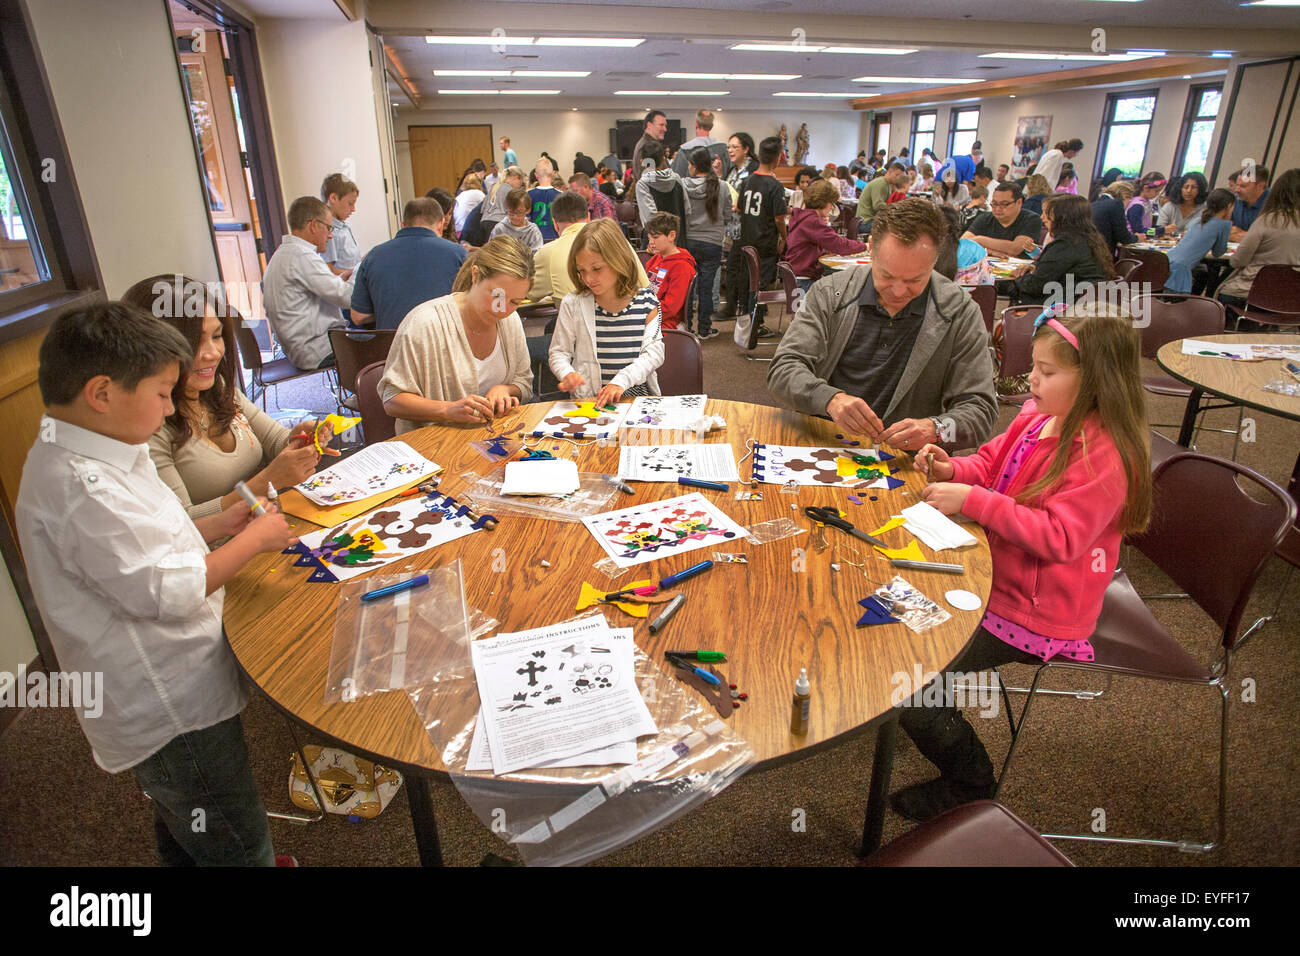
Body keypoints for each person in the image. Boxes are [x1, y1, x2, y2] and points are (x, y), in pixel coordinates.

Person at [17, 301, 297, 865]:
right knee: (228, 829)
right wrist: (254, 540)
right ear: (101, 393)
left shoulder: (102, 437)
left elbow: (161, 529)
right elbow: (167, 590)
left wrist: (223, 524)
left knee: (187, 821)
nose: (172, 405)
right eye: (162, 393)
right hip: (169, 703)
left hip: (176, 678)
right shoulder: (81, 486)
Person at [891, 301, 1152, 821]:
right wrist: (956, 468)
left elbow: (1059, 538)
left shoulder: (1104, 454)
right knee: (892, 609)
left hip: (1033, 611)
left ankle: (971, 783)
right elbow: (992, 462)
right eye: (1033, 366)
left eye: (1046, 372)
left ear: (1095, 380)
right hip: (990, 572)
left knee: (908, 679)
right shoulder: (1039, 417)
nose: (1029, 380)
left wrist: (974, 502)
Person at [768, 198, 997, 453]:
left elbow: (981, 413)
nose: (898, 292)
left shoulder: (960, 313)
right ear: (870, 251)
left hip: (905, 463)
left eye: (915, 280)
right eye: (886, 275)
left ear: (934, 262)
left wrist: (937, 429)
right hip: (825, 447)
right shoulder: (829, 293)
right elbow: (783, 370)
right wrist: (829, 399)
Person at [120, 275, 330, 517]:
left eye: (217, 336)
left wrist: (300, 439)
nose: (212, 353)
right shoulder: (147, 428)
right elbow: (182, 523)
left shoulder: (216, 388)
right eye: (194, 343)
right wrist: (266, 481)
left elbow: (275, 440)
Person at [379, 236, 534, 434]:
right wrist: (447, 410)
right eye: (497, 296)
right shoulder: (424, 323)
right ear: (475, 275)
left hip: (490, 441)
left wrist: (506, 390)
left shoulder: (510, 322)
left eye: (515, 302)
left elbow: (524, 383)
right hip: (433, 446)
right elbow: (392, 400)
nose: (502, 310)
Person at [549, 217, 664, 403]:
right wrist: (566, 373)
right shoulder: (573, 303)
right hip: (590, 400)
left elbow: (654, 353)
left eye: (596, 269)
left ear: (618, 260)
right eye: (582, 271)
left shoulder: (647, 302)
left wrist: (620, 382)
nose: (588, 278)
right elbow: (559, 353)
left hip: (635, 400)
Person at [263, 196, 359, 369]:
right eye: (329, 228)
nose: (330, 235)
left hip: (298, 348)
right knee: (384, 344)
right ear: (313, 225)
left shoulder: (283, 254)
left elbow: (307, 294)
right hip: (316, 350)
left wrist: (339, 279)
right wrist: (361, 268)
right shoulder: (303, 256)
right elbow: (347, 299)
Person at [348, 197, 468, 331]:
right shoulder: (458, 254)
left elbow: (359, 316)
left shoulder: (373, 256)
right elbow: (471, 306)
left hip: (392, 347)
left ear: (403, 225)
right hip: (442, 344)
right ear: (441, 225)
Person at [1216, 167, 1300, 312]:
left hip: (1251, 291)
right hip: (1291, 296)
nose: (1237, 190)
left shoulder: (1268, 220)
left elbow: (1237, 261)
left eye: (1243, 186)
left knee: (1218, 287)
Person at [1008, 194, 1116, 306]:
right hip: (1085, 304)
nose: (1042, 217)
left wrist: (1019, 278)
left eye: (1046, 212)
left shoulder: (1065, 244)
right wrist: (1037, 266)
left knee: (1015, 287)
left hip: (1063, 307)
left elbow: (1036, 285)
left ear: (1061, 216)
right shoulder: (1091, 239)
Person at [731, 135, 788, 334]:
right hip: (765, 241)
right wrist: (784, 237)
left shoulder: (747, 180)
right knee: (761, 285)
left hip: (746, 240)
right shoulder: (774, 186)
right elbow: (779, 218)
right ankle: (756, 324)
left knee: (748, 281)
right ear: (778, 158)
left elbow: (738, 208)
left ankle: (748, 320)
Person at [682, 146, 731, 338]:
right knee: (707, 287)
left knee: (687, 287)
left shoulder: (683, 185)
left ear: (693, 166)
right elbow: (727, 215)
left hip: (689, 241)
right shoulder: (722, 186)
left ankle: (686, 328)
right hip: (712, 243)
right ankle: (704, 329)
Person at [784, 178, 867, 288]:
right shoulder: (813, 222)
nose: (832, 207)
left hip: (795, 276)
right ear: (822, 201)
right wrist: (865, 246)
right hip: (804, 280)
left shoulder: (803, 216)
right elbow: (839, 245)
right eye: (831, 203)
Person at [1166, 188, 1235, 295]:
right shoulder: (1224, 225)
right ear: (1229, 206)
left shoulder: (1198, 220)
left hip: (1167, 261)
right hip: (1181, 270)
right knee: (1174, 304)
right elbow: (1218, 253)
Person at [722, 132, 758, 316]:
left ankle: (739, 307)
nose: (730, 150)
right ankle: (733, 305)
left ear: (746, 149)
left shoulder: (753, 170)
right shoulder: (732, 170)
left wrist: (740, 206)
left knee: (740, 268)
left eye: (734, 147)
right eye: (729, 147)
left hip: (747, 228)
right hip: (733, 227)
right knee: (733, 267)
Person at [643, 212, 697, 331]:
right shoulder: (656, 259)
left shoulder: (681, 267)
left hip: (664, 325)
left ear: (672, 236)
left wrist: (641, 313)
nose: (651, 242)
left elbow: (671, 308)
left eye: (655, 237)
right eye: (649, 237)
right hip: (650, 315)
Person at [963, 182, 1043, 258]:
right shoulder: (985, 218)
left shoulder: (1031, 219)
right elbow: (963, 244)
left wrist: (979, 239)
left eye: (1004, 204)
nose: (998, 209)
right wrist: (990, 251)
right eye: (994, 204)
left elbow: (1015, 249)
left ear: (1019, 202)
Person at [635, 140, 691, 243]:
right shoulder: (677, 178)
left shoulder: (643, 184)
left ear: (642, 161)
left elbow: (649, 218)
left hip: (655, 246)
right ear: (663, 159)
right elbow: (687, 210)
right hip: (678, 241)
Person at [320, 173, 362, 275]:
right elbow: (329, 270)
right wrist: (358, 275)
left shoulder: (345, 227)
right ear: (333, 198)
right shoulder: (330, 233)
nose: (353, 209)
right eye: (350, 204)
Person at [672, 108, 730, 180]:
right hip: (717, 190)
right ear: (712, 126)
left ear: (696, 124)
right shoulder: (723, 150)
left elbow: (676, 179)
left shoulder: (684, 150)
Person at [1091, 180, 1138, 256]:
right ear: (1125, 195)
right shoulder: (1116, 204)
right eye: (1129, 199)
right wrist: (1137, 238)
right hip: (1104, 254)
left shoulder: (1093, 204)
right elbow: (1124, 237)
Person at [480, 165, 527, 241]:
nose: (519, 186)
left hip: (484, 222)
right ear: (515, 177)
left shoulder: (494, 187)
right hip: (498, 223)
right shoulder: (509, 190)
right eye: (520, 182)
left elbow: (482, 209)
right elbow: (515, 210)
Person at [857, 162, 908, 230]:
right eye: (897, 175)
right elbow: (878, 206)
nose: (898, 179)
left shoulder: (887, 184)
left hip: (870, 220)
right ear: (890, 172)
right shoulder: (881, 183)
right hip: (866, 222)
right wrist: (895, 208)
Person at [490, 188, 544, 252]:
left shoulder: (533, 231)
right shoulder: (499, 229)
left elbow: (537, 254)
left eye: (519, 213)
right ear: (506, 209)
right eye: (511, 212)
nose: (515, 217)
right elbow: (491, 251)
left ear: (528, 210)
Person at [1229, 164, 1271, 241]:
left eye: (1243, 186)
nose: (1236, 190)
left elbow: (1273, 238)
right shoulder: (1234, 199)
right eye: (1237, 185)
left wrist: (1249, 237)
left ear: (1260, 186)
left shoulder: (1274, 205)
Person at [630, 109, 668, 190]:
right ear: (649, 125)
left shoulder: (650, 145)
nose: (665, 129)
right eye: (661, 125)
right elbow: (650, 183)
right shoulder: (646, 147)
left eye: (665, 125)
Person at [527, 160, 563, 242]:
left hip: (535, 239)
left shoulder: (528, 194)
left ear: (535, 175)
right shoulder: (561, 195)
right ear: (553, 174)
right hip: (555, 238)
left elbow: (527, 219)